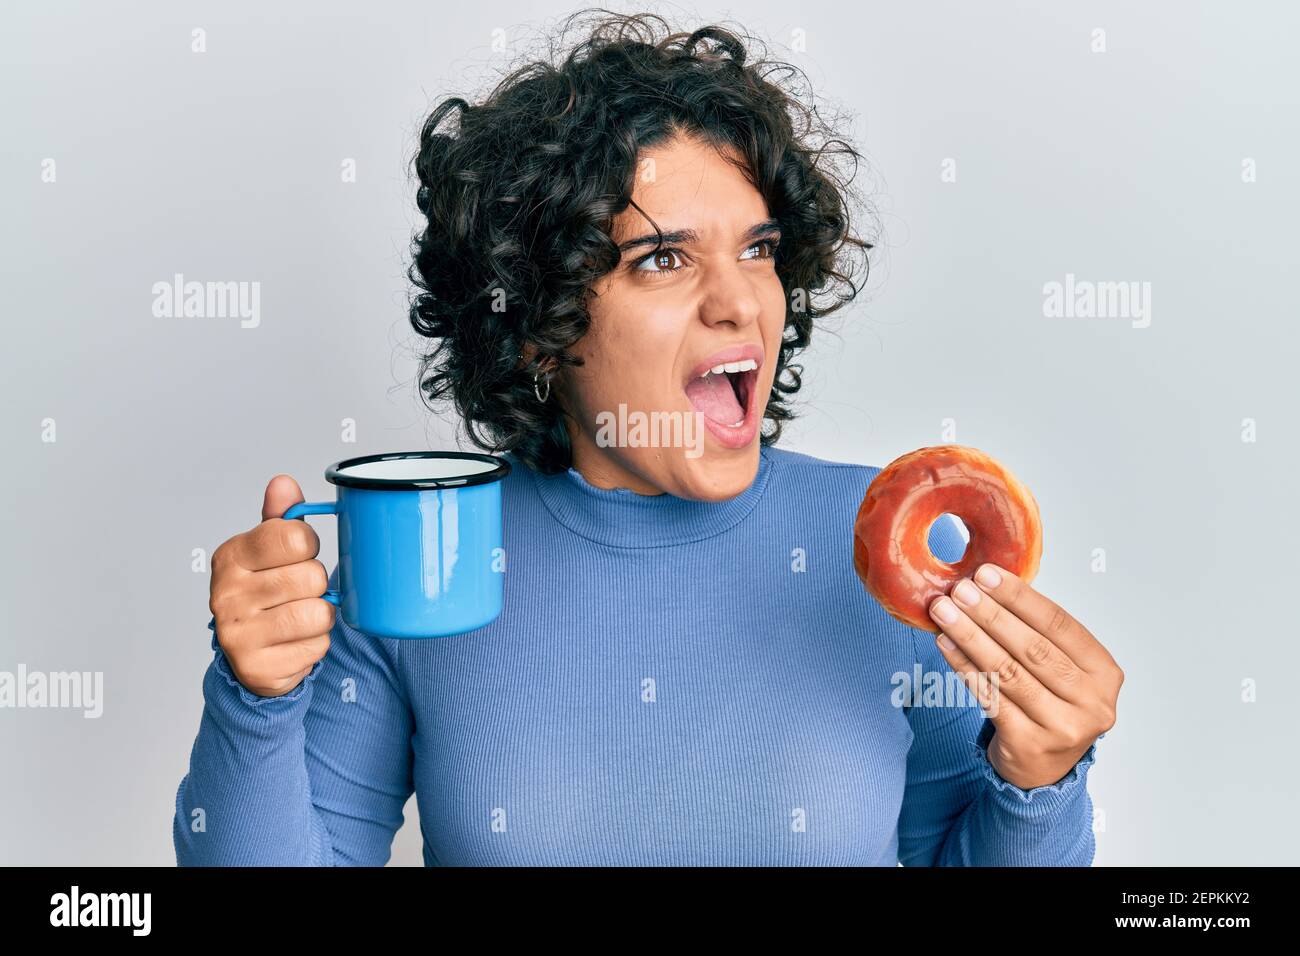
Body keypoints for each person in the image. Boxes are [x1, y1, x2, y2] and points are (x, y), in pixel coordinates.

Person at [174, 9, 1121, 866]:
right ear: (542, 326)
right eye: (662, 258)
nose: (739, 300)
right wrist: (257, 695)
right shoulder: (429, 554)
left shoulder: (885, 552)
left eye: (757, 249)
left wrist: (1039, 777)